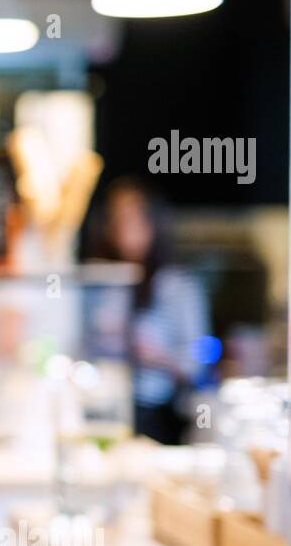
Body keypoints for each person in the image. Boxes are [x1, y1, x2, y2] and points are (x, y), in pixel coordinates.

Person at [84, 175, 211, 444]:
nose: (123, 227)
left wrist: (156, 355)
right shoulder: (102, 281)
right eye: (116, 218)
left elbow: (200, 358)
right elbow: (80, 347)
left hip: (156, 411)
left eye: (132, 217)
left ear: (153, 221)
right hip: (103, 408)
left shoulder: (177, 285)